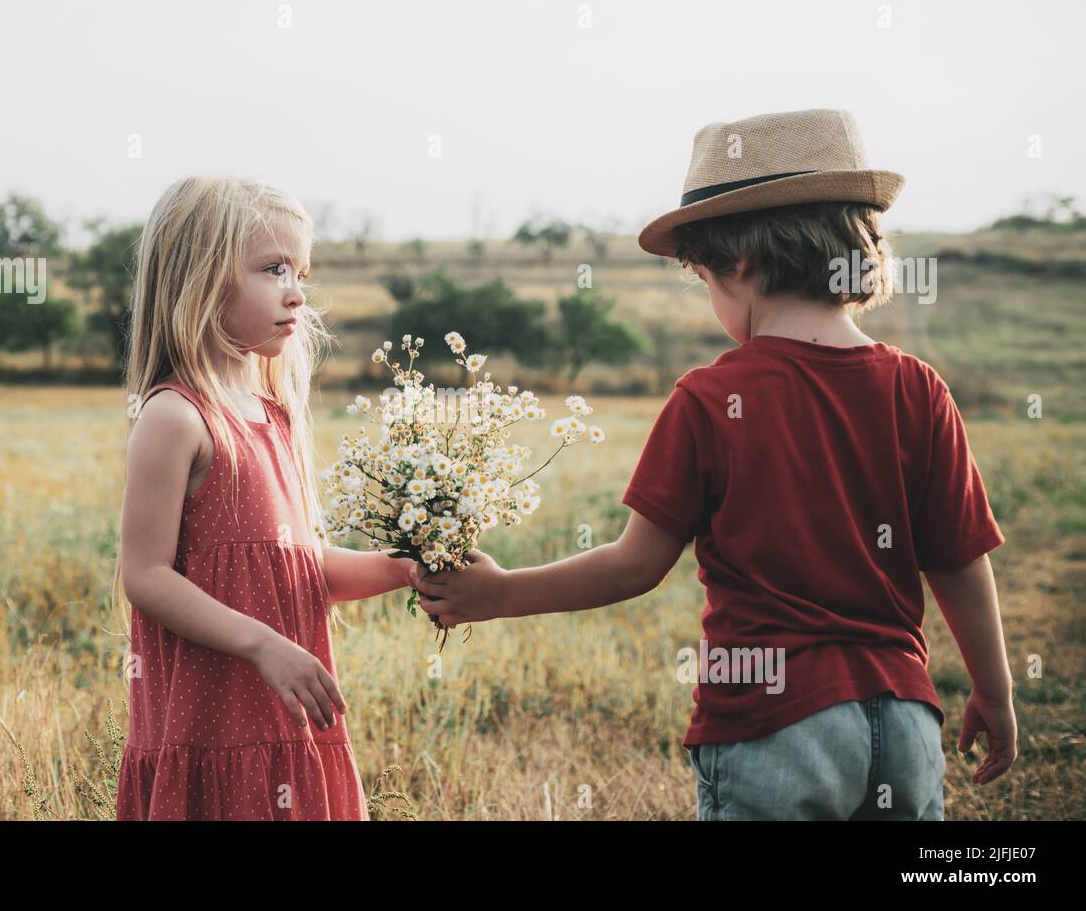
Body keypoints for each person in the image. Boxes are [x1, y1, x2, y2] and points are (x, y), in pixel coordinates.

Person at [413, 109, 1017, 820]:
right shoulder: (919, 389)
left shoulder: (711, 397)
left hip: (773, 725)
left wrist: (499, 593)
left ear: (740, 264)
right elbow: (959, 562)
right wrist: (995, 692)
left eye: (704, 279)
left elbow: (634, 565)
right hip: (906, 722)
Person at [114, 175, 415, 820]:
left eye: (301, 270)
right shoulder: (177, 417)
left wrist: (406, 568)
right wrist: (265, 645)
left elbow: (299, 569)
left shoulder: (272, 414)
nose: (297, 293)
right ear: (201, 278)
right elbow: (145, 577)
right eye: (274, 268)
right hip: (212, 735)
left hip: (284, 731)